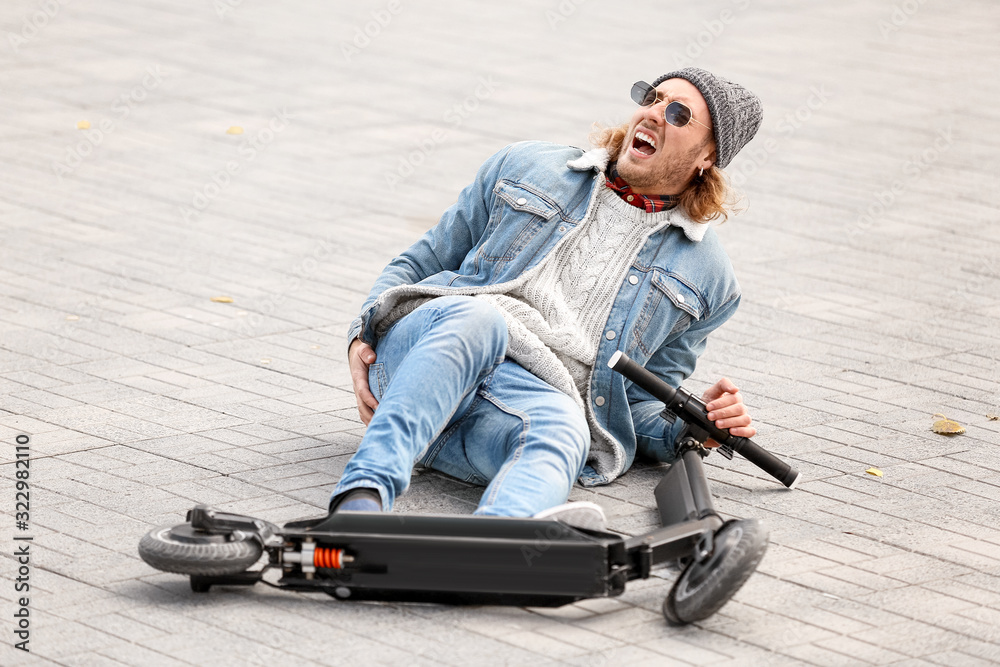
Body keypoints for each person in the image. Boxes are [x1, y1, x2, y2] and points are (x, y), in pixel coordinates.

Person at [329, 68, 763, 530]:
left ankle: (490, 548)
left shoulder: (709, 279)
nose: (654, 113)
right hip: (432, 355)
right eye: (652, 98)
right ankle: (359, 506)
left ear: (708, 156)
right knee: (482, 318)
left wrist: (693, 427)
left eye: (678, 114)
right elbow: (422, 261)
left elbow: (634, 405)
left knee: (568, 429)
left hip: (514, 410)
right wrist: (361, 336)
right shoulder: (526, 165)